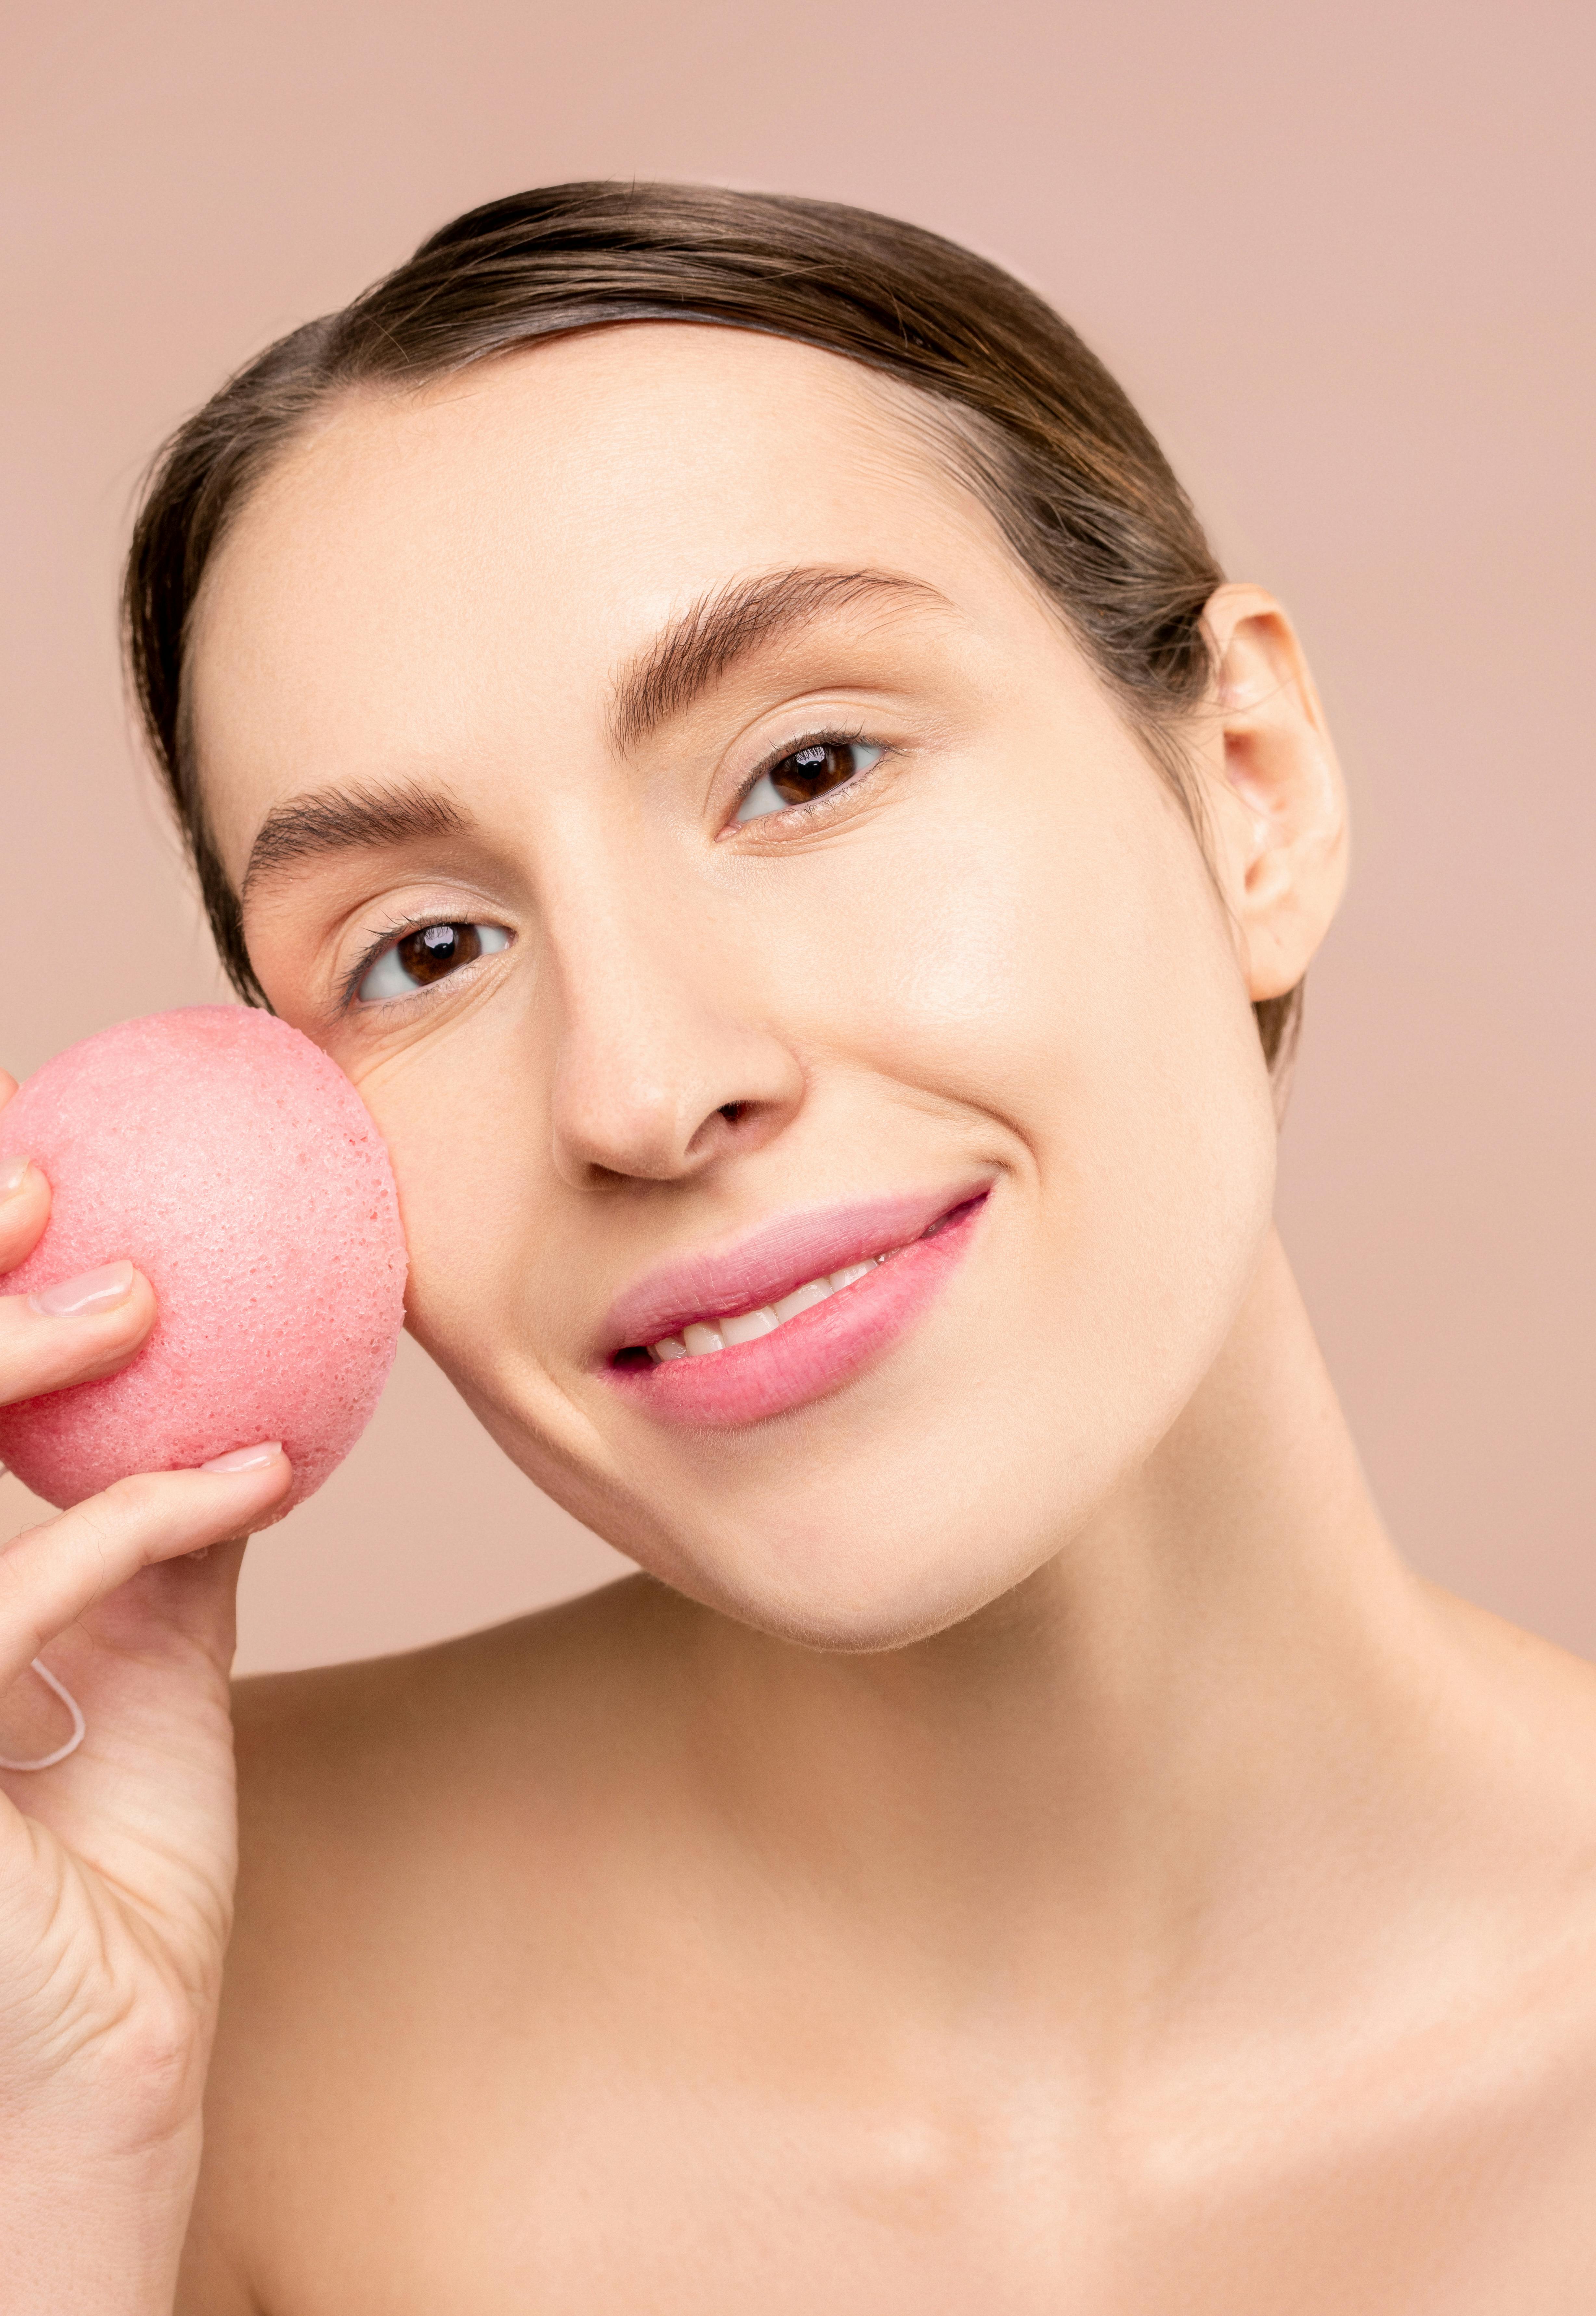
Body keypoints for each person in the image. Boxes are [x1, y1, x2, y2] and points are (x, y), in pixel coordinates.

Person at [3, 182, 1594, 2313]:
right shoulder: (115, 2007)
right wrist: (61, 2175)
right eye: (430, 948)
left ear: (1249, 786)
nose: (646, 1086)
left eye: (808, 767)